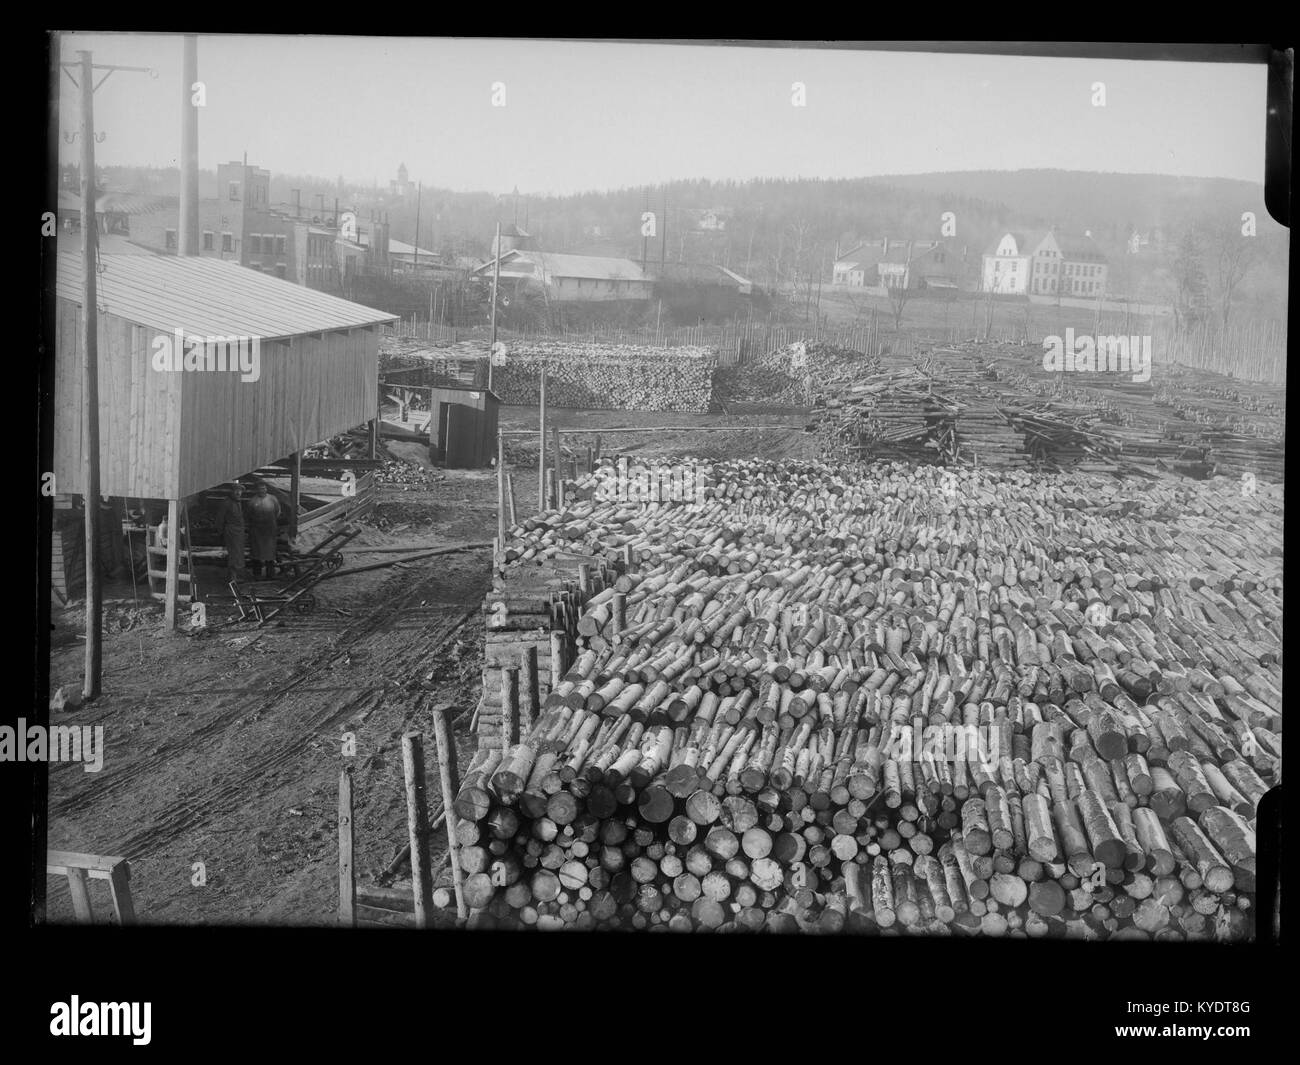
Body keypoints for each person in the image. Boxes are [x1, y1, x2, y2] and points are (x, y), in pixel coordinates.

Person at [246, 482, 282, 579]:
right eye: (260, 489)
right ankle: (257, 574)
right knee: (256, 553)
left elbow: (278, 512)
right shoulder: (252, 501)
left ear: (266, 489)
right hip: (257, 531)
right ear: (257, 490)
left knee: (270, 553)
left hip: (269, 530)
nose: (262, 490)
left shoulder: (272, 499)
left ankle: (270, 574)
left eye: (264, 488)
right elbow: (249, 515)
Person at [216, 484, 247, 584]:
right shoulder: (227, 502)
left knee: (238, 554)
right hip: (231, 531)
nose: (238, 493)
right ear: (231, 491)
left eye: (240, 491)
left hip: (239, 532)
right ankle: (233, 578)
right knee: (234, 553)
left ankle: (234, 576)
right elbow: (220, 518)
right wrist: (220, 532)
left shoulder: (239, 502)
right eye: (236, 490)